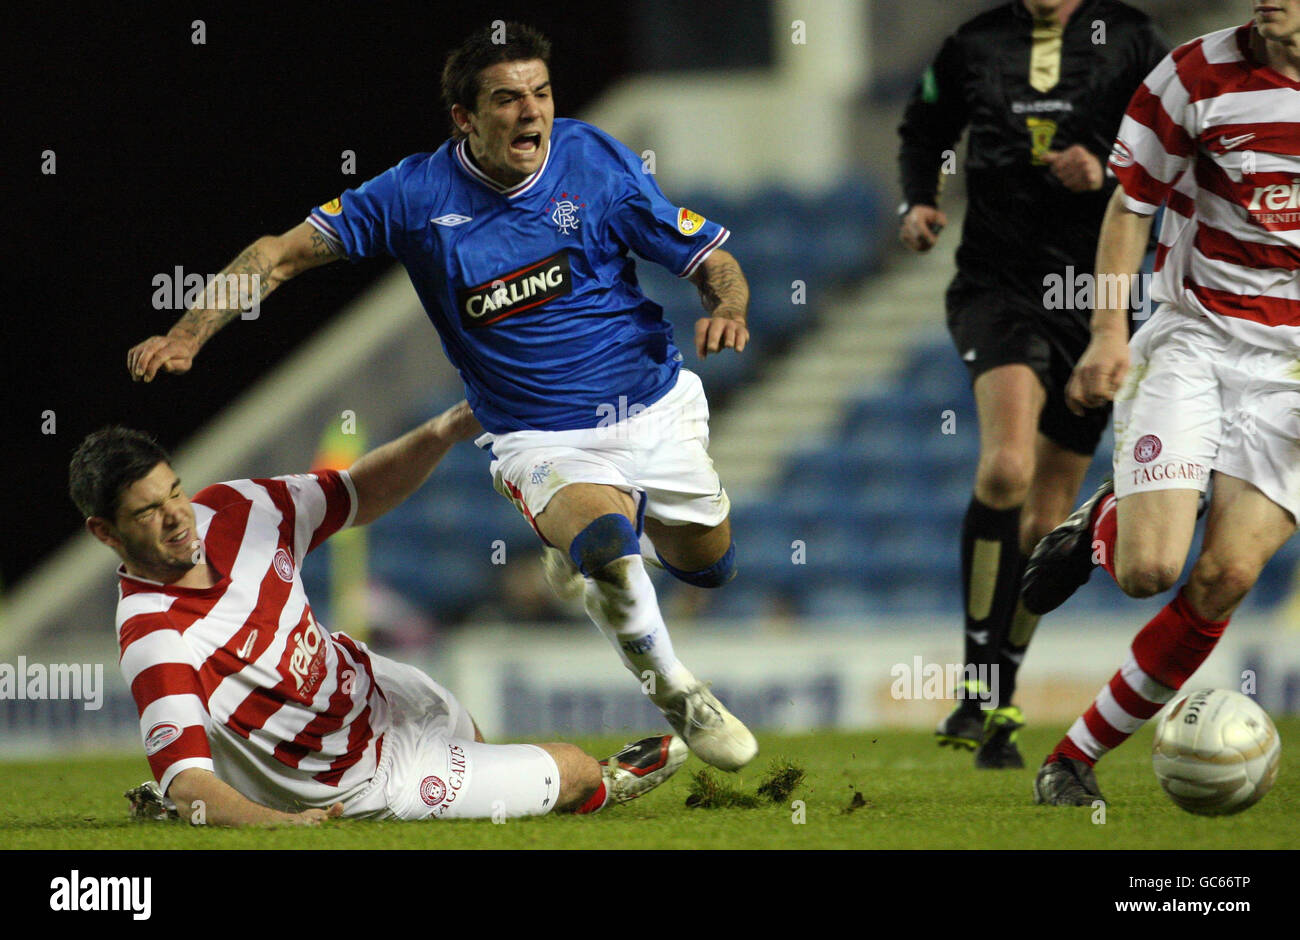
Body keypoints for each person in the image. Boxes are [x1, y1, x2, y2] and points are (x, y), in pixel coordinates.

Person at [124, 22, 757, 772]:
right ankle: (678, 690)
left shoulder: (595, 161)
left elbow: (711, 257)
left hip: (653, 405)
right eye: (506, 99)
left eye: (541, 93)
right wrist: (191, 333)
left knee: (708, 564)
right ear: (465, 117)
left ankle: (582, 557)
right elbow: (278, 255)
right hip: (538, 435)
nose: (531, 112)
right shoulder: (415, 194)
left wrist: (729, 306)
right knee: (613, 554)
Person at [71, 405, 687, 826]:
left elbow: (357, 492)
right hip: (363, 778)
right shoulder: (154, 634)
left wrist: (441, 432)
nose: (177, 515)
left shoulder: (236, 507)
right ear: (105, 532)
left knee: (468, 732)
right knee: (575, 771)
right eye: (148, 511)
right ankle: (591, 793)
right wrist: (284, 827)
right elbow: (185, 779)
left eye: (174, 490)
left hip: (371, 687)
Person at [1025, 0, 1300, 805]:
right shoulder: (1190, 73)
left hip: (1291, 370)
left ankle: (1070, 762)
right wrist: (1109, 332)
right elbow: (1129, 206)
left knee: (1223, 578)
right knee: (1149, 570)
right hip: (1195, 339)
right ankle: (1108, 525)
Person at [897, 0, 1168, 767]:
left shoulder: (1135, 38)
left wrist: (1109, 166)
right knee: (1007, 466)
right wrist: (918, 200)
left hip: (1098, 298)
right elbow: (924, 129)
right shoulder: (975, 42)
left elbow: (1175, 153)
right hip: (1000, 286)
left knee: (1049, 516)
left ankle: (995, 700)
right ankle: (980, 687)